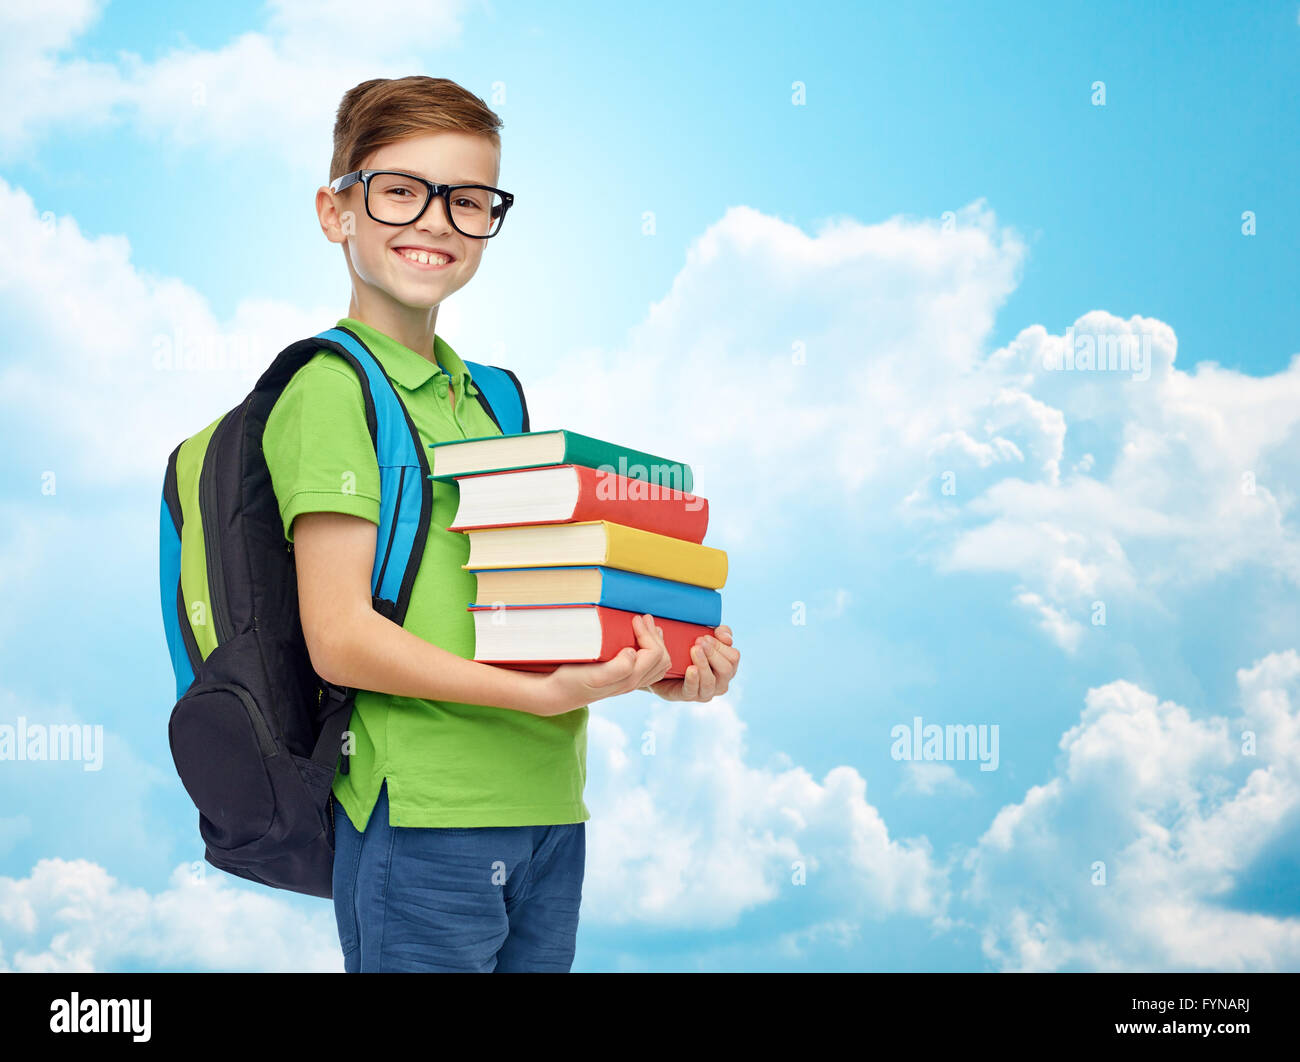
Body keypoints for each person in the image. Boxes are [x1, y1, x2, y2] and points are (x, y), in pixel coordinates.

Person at [261, 75, 741, 973]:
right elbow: (339, 638)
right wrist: (539, 697)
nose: (436, 221)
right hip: (427, 813)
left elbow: (524, 606)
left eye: (468, 200)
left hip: (551, 805)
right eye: (401, 191)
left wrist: (653, 666)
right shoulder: (331, 391)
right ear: (337, 211)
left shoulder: (495, 398)